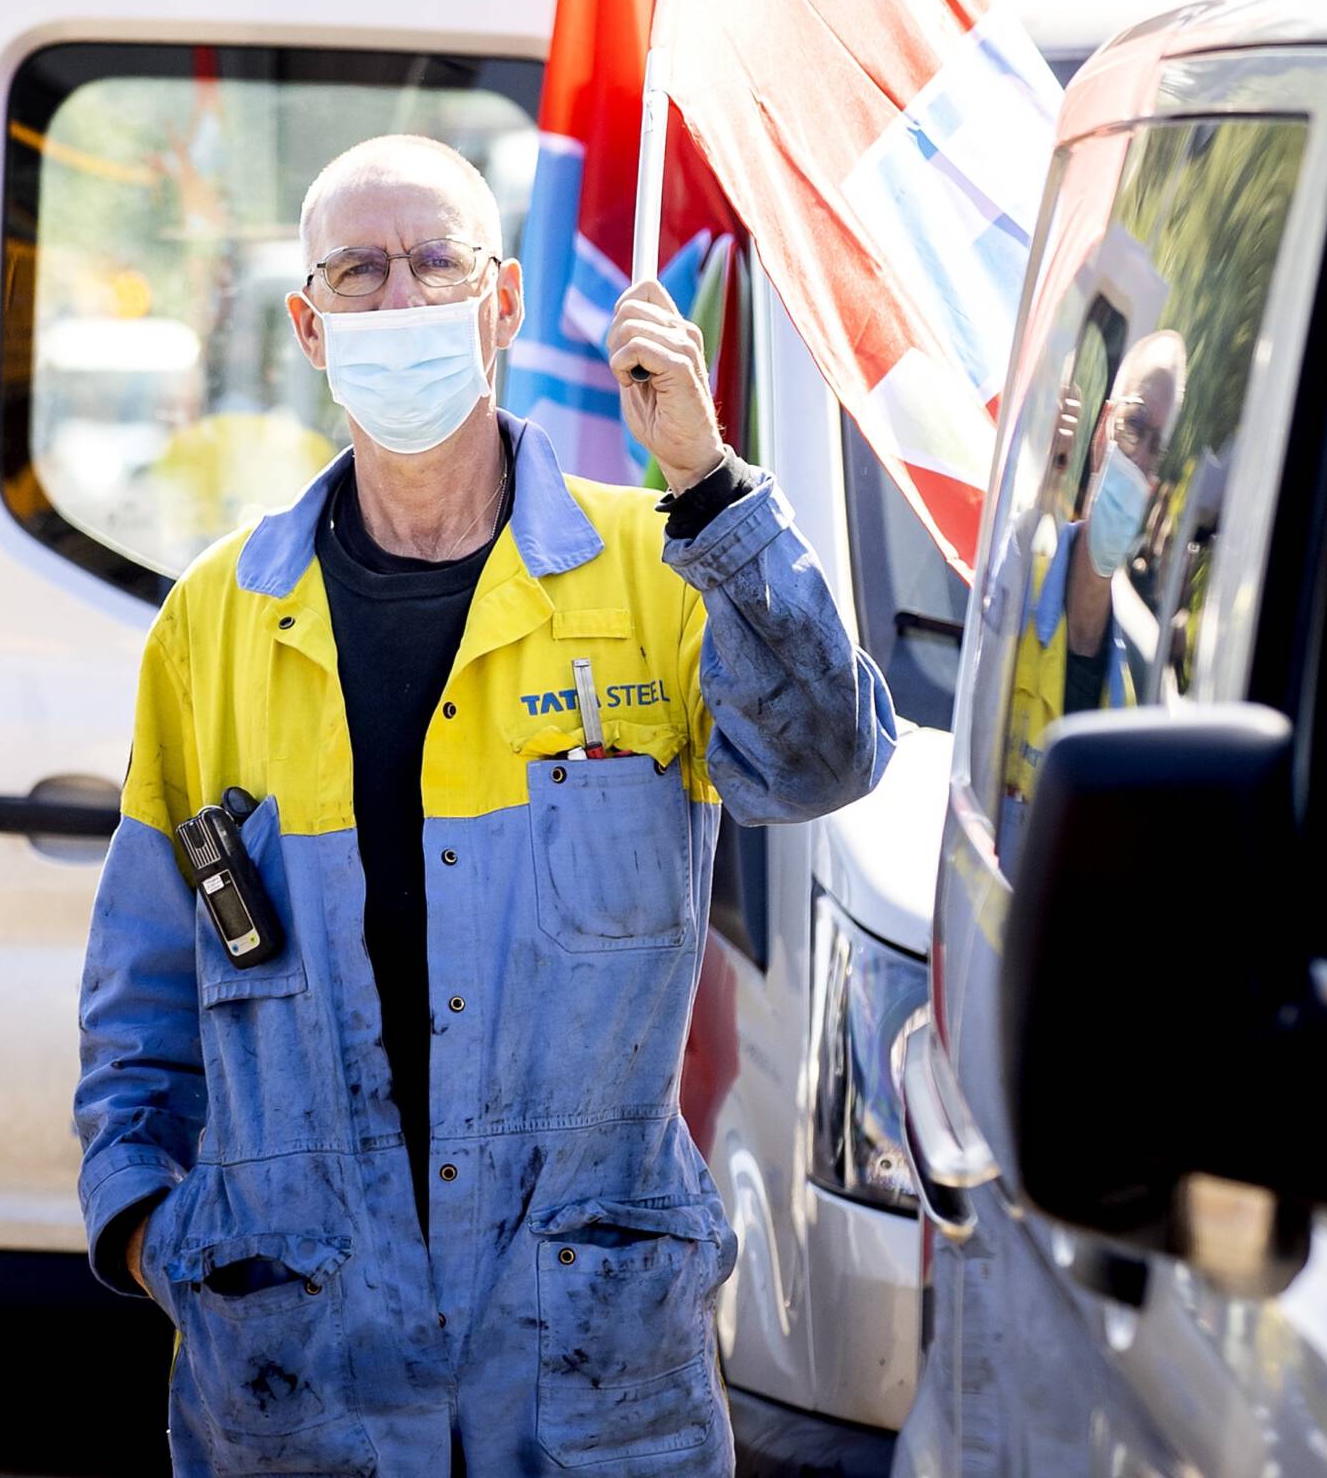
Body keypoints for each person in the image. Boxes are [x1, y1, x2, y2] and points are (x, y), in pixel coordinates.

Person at [75, 135, 896, 1476]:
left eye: (434, 264)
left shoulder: (656, 566)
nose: (400, 303)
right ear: (308, 324)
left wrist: (710, 481)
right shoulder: (214, 623)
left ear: (502, 300)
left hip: (589, 1388)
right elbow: (144, 988)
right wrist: (143, 1228)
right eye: (359, 271)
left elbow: (825, 760)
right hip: (300, 1387)